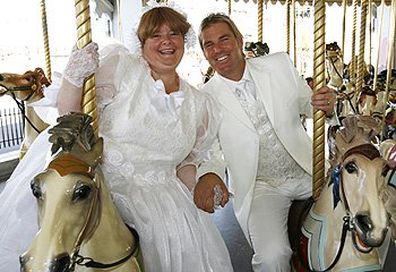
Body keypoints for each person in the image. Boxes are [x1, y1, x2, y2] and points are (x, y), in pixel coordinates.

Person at [0, 6, 233, 272]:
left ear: (185, 40)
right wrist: (75, 78)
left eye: (174, 33)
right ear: (141, 43)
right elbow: (72, 118)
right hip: (110, 191)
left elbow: (186, 163)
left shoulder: (198, 103)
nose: (166, 41)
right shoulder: (122, 69)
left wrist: (202, 184)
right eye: (155, 35)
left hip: (168, 204)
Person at [193, 13, 336, 272]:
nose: (217, 49)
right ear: (204, 52)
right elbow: (209, 150)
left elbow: (308, 104)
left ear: (239, 40)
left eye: (224, 39)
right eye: (209, 44)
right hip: (261, 186)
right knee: (272, 256)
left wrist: (325, 103)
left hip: (308, 171)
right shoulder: (205, 98)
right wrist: (210, 174)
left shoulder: (279, 65)